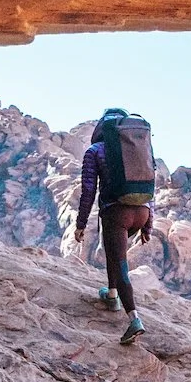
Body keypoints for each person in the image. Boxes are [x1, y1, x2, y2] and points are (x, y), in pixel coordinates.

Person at [73, 108, 152, 344]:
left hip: (117, 211)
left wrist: (81, 223)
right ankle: (112, 293)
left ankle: (134, 319)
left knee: (120, 263)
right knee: (113, 250)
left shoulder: (94, 151)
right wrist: (148, 225)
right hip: (142, 211)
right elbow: (150, 186)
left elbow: (88, 190)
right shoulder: (139, 150)